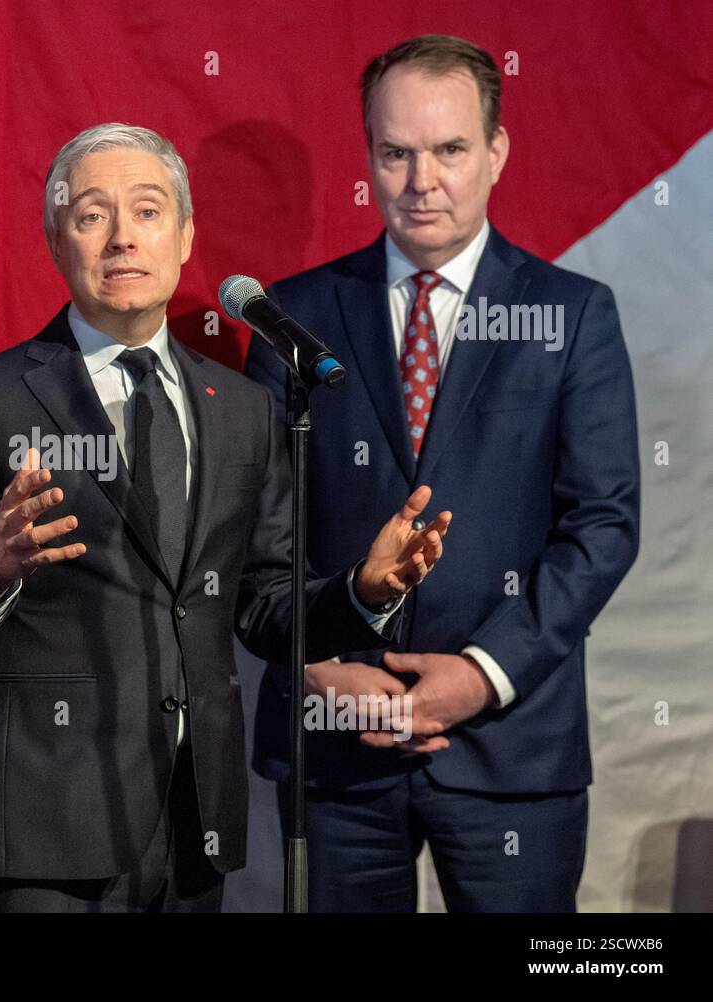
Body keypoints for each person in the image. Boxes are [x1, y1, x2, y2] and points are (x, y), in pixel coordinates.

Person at [0, 122, 451, 913]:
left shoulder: (245, 411)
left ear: (186, 238)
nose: (122, 236)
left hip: (193, 824)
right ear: (58, 240)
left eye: (148, 211)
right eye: (92, 215)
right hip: (40, 829)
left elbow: (263, 608)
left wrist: (362, 591)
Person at [246, 35, 641, 912]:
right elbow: (255, 533)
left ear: (496, 153)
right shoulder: (292, 318)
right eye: (397, 153)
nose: (422, 179)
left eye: (450, 149)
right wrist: (312, 664)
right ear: (370, 158)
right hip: (338, 743)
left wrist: (480, 673)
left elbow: (604, 525)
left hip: (511, 743)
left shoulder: (572, 316)